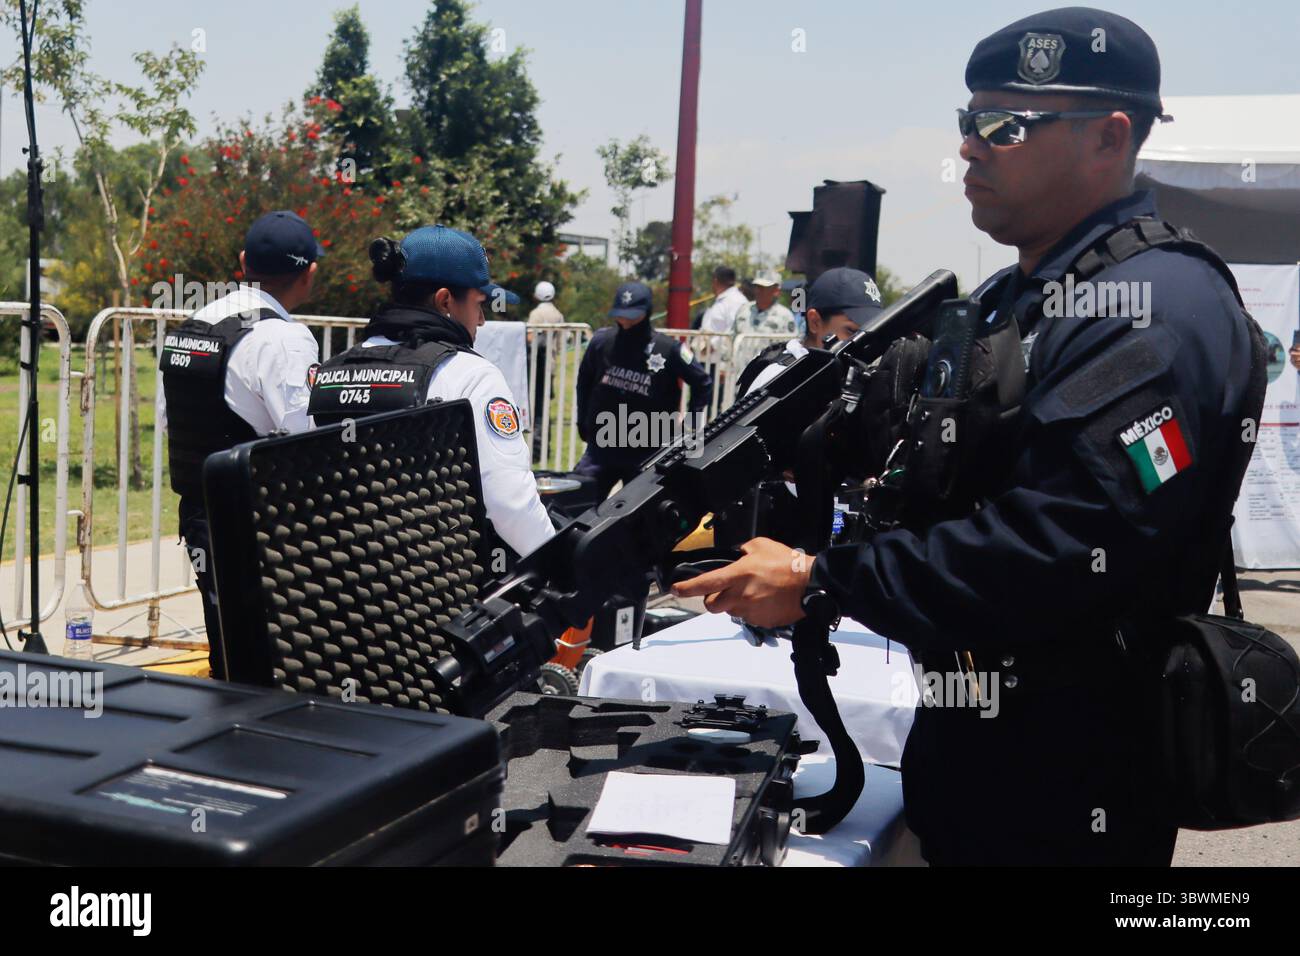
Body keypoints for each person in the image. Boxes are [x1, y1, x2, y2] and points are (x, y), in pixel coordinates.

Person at [675, 7, 1262, 866]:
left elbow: (1062, 548)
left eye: (1005, 125)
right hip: (976, 752)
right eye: (967, 122)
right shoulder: (1010, 301)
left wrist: (819, 582)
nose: (970, 147)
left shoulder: (1157, 310)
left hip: (1072, 784)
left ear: (1110, 136)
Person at [307, 225, 555, 560]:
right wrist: (564, 570)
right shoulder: (471, 375)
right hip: (437, 588)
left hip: (342, 584)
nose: (481, 320)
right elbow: (511, 504)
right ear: (445, 301)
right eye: (479, 304)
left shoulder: (332, 371)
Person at [160, 210, 323, 677]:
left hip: (200, 512)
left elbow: (173, 420)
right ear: (309, 273)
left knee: (226, 651)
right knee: (273, 663)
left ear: (244, 260)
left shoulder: (194, 324)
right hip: (262, 523)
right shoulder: (284, 338)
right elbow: (306, 438)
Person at [575, 281, 713, 499]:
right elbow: (584, 380)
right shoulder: (602, 341)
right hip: (602, 445)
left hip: (648, 449)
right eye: (621, 314)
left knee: (642, 520)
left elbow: (702, 383)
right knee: (578, 503)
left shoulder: (669, 349)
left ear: (646, 312)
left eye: (632, 315)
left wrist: (690, 426)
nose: (625, 321)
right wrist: (582, 420)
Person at [737, 267, 883, 396]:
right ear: (815, 322)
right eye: (851, 331)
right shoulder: (777, 377)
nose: (862, 343)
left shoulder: (858, 377)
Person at [527, 280, 564, 458]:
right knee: (545, 408)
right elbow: (560, 344)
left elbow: (529, 338)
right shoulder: (557, 314)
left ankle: (536, 448)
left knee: (536, 408)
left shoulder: (536, 313)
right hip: (550, 366)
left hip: (537, 366)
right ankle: (545, 447)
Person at [732, 270, 797, 370]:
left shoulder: (785, 316)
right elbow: (731, 338)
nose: (758, 291)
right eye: (757, 287)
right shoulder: (743, 310)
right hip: (739, 373)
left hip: (766, 375)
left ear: (776, 291)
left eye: (763, 288)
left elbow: (791, 349)